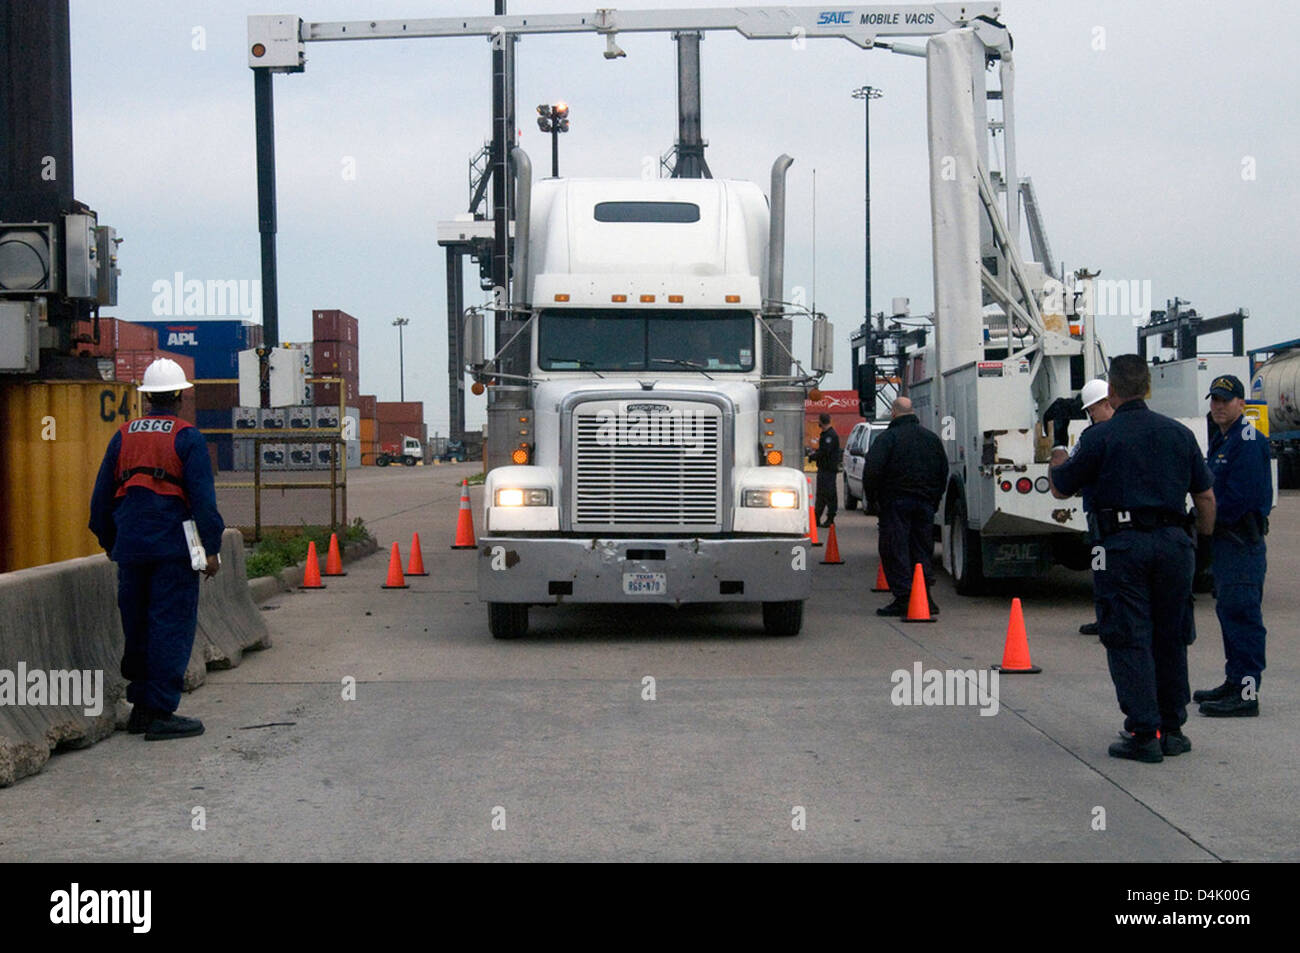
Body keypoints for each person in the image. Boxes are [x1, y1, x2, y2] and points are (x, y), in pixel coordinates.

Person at [1049, 355, 1215, 763]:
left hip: (1121, 548)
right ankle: (1173, 729)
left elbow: (1061, 489)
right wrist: (1203, 543)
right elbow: (1205, 497)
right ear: (1148, 388)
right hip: (1176, 545)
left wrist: (1056, 451)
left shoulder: (1100, 437)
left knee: (1128, 634)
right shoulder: (1178, 434)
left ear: (1112, 391)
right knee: (1171, 634)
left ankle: (1144, 733)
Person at [89, 358, 224, 741]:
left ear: (147, 398)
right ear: (180, 396)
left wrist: (110, 541)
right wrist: (210, 550)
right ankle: (159, 712)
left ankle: (141, 709)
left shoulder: (124, 435)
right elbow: (203, 503)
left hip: (131, 548)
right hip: (172, 551)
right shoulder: (188, 438)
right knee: (169, 625)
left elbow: (101, 500)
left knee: (138, 626)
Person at [1194, 374, 1272, 717]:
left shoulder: (1249, 439)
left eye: (1225, 400)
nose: (1218, 406)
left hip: (1242, 541)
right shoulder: (1224, 439)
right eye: (1214, 399)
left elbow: (1241, 498)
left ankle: (1247, 693)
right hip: (1228, 545)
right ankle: (1234, 680)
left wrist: (1205, 520)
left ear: (1242, 403)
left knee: (1243, 617)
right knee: (1229, 613)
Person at [863, 396, 948, 616]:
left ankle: (903, 597)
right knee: (922, 549)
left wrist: (873, 500)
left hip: (896, 503)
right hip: (925, 503)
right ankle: (925, 597)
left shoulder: (887, 439)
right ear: (913, 412)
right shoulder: (931, 439)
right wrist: (935, 498)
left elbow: (872, 470)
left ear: (893, 412)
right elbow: (943, 470)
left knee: (895, 549)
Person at [1063, 379, 1114, 636]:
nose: (1091, 416)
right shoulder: (1138, 431)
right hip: (1128, 522)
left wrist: (1058, 448)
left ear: (1105, 404)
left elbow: (1066, 478)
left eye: (1092, 410)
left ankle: (1106, 619)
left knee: (1103, 569)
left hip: (1102, 520)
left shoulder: (1093, 437)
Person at [807, 413, 840, 527]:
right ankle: (817, 518)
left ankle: (829, 518)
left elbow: (825, 453)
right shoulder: (827, 435)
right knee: (822, 495)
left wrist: (813, 456)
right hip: (825, 469)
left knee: (828, 494)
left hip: (827, 470)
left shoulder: (829, 436)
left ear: (821, 422)